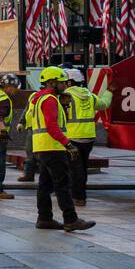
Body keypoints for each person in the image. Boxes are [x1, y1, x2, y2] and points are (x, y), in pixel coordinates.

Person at [26, 66, 94, 232]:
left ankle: (44, 218)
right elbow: (52, 126)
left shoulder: (38, 98)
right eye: (62, 82)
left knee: (45, 185)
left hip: (42, 147)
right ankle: (71, 220)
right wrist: (68, 144)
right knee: (62, 185)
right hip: (53, 147)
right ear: (51, 82)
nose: (65, 85)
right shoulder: (49, 100)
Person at [63, 67, 112, 208]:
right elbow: (104, 104)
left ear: (69, 82)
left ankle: (77, 197)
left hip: (72, 138)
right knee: (82, 168)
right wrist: (109, 92)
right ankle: (80, 195)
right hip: (88, 138)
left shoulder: (65, 96)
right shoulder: (89, 95)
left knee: (74, 169)